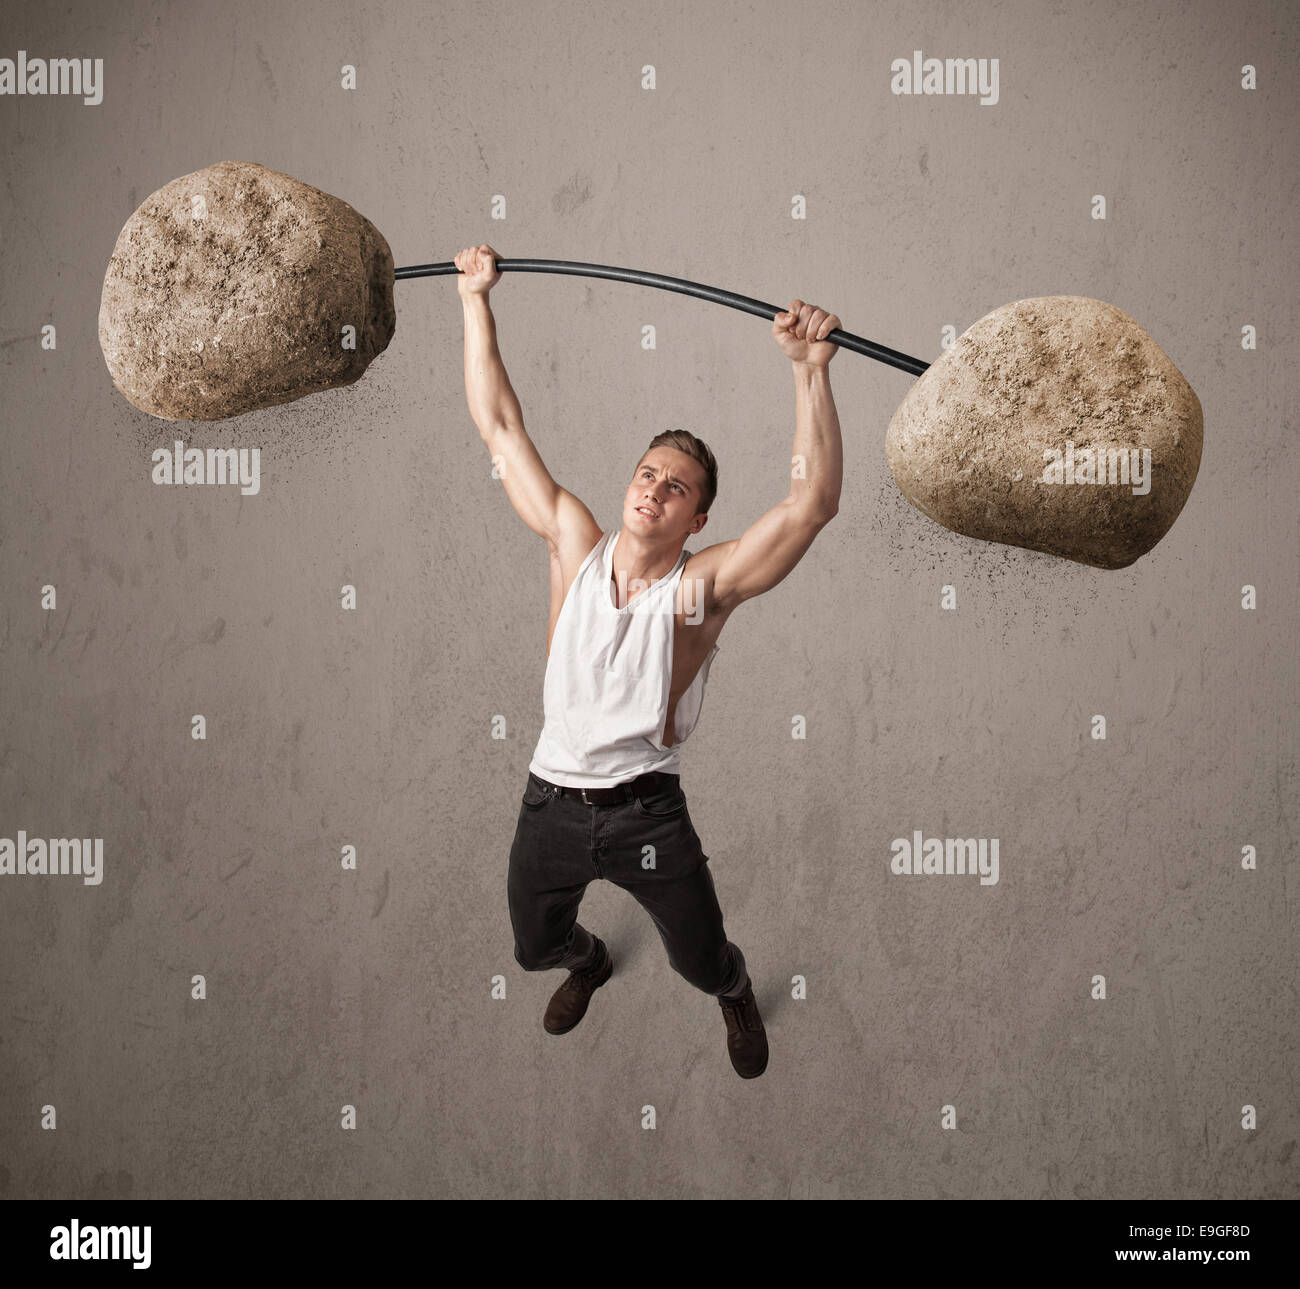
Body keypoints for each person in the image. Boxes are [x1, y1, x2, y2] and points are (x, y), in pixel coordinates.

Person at [456, 242, 842, 1079]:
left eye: (677, 487)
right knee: (533, 948)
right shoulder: (572, 544)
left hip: (646, 814)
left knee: (702, 960)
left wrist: (810, 371)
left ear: (696, 518)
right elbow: (498, 424)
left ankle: (734, 990)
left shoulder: (698, 593)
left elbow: (810, 506)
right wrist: (475, 300)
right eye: (647, 472)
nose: (654, 489)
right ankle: (589, 961)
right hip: (549, 800)